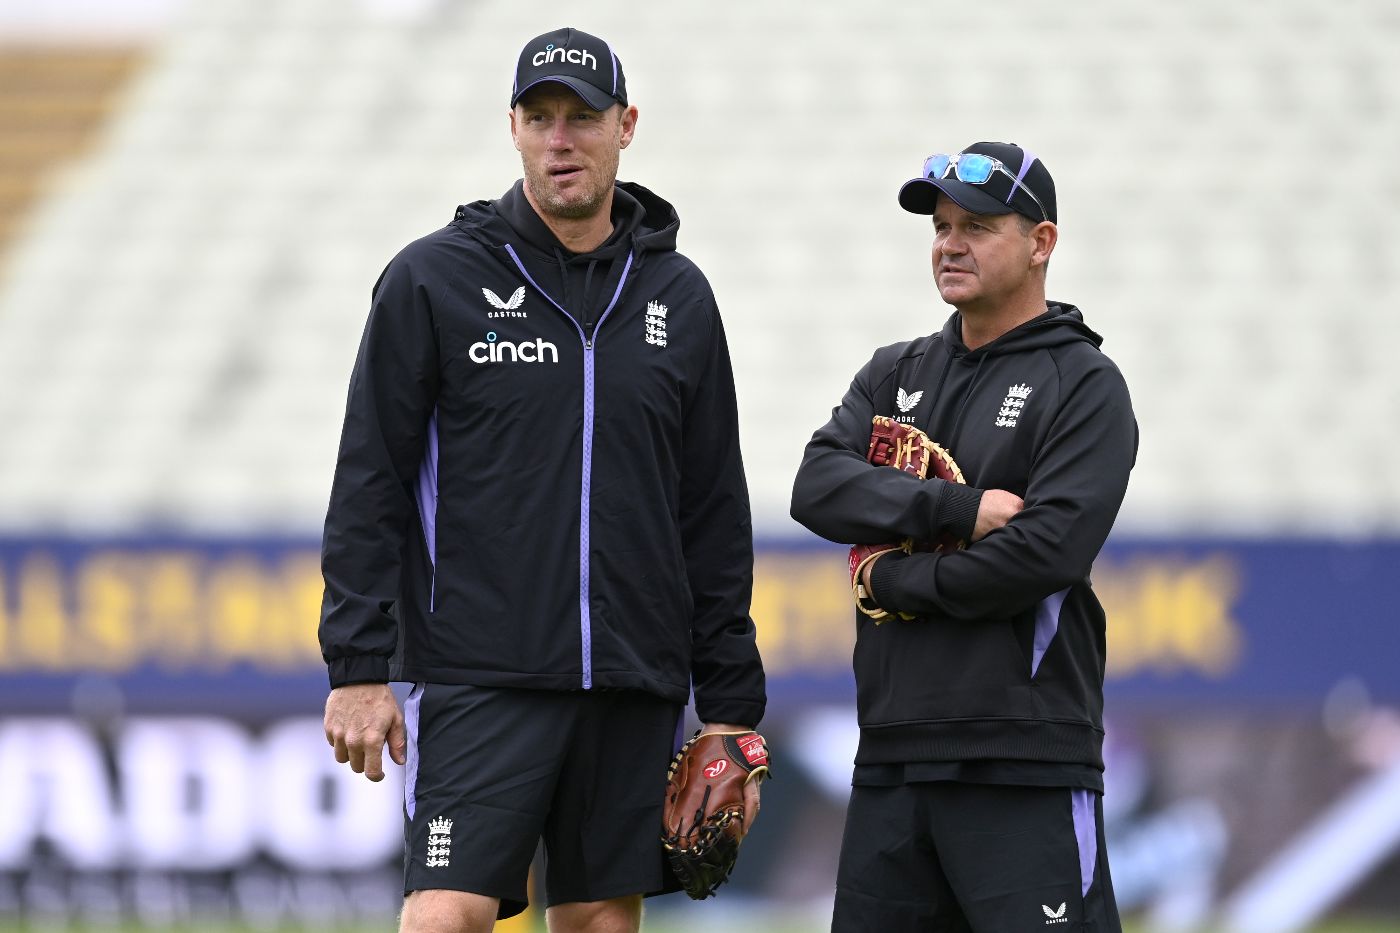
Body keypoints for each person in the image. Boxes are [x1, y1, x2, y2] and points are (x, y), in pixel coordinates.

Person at [318, 27, 766, 933]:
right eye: (540, 118)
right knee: (445, 915)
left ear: (625, 125)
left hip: (633, 677)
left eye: (583, 118)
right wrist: (358, 666)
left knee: (601, 921)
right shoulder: (433, 278)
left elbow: (712, 509)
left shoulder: (678, 297)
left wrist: (729, 708)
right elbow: (371, 479)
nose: (561, 139)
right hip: (484, 671)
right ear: (514, 128)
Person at [791, 142, 1137, 932]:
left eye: (977, 225)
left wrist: (889, 581)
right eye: (942, 226)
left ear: (1041, 242)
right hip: (891, 753)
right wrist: (956, 510)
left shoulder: (1083, 383)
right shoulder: (894, 371)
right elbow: (816, 487)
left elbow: (1040, 556)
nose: (950, 242)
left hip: (1023, 759)